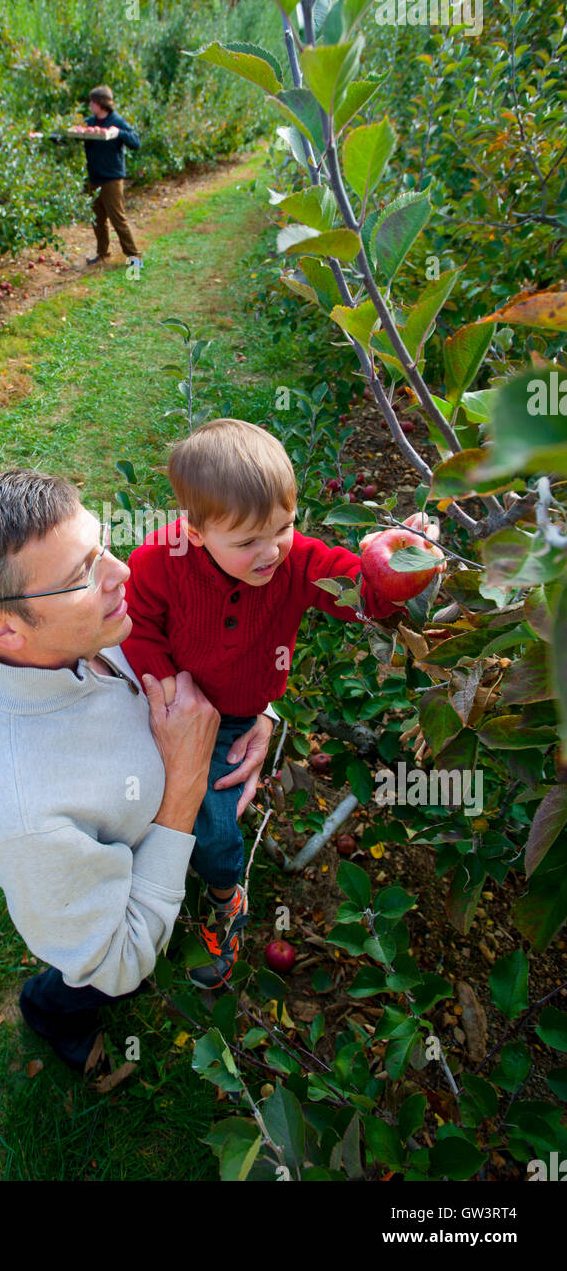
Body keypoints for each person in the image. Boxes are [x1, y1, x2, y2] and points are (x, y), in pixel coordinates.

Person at [0, 468, 274, 1072]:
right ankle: (50, 1012)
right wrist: (184, 789)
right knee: (95, 980)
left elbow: (201, 643)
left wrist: (253, 709)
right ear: (3, 628)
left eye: (100, 545)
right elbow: (119, 958)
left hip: (130, 859)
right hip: (100, 922)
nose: (122, 571)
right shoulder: (27, 821)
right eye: (82, 574)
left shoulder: (85, 624)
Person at [122, 418, 409, 989]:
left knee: (213, 818)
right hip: (167, 697)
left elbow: (363, 597)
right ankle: (137, 870)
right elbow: (138, 627)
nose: (272, 551)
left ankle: (226, 894)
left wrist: (402, 561)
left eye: (284, 527)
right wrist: (170, 685)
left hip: (232, 720)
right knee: (134, 789)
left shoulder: (297, 562)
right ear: (197, 533)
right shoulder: (158, 559)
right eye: (249, 540)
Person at [81, 84, 143, 270]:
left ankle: (134, 257)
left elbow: (136, 142)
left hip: (112, 179)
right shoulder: (90, 122)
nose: (90, 104)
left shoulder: (116, 121)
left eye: (93, 101)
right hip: (95, 177)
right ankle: (102, 254)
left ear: (101, 104)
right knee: (97, 219)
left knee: (117, 219)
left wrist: (119, 133)